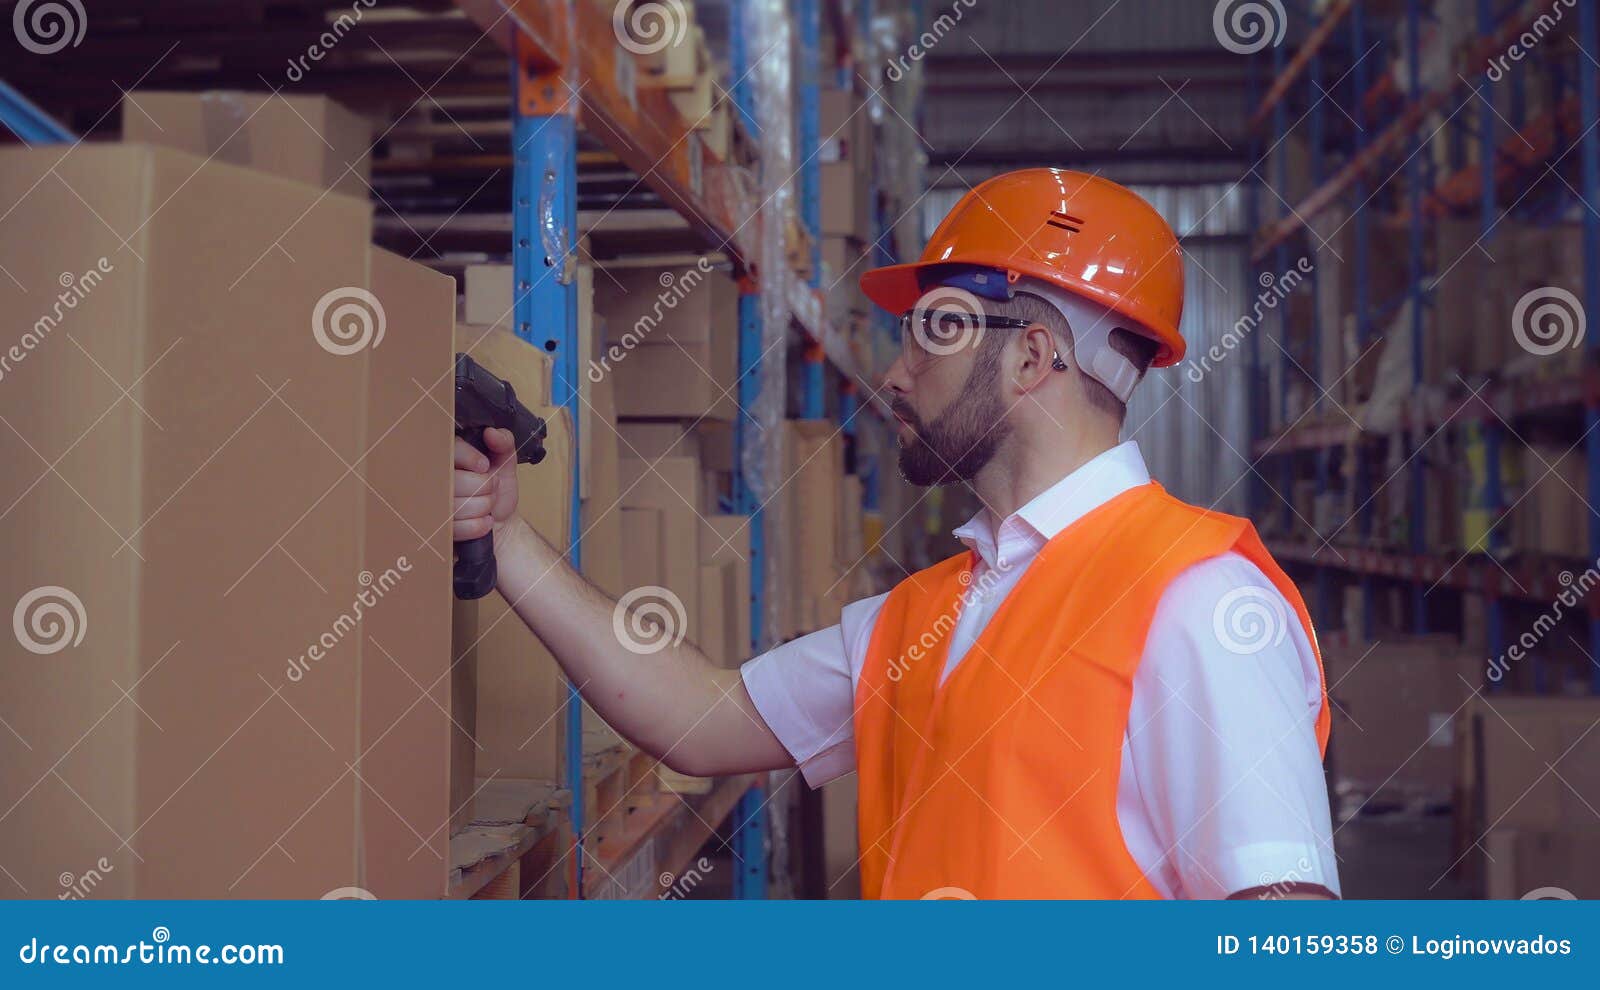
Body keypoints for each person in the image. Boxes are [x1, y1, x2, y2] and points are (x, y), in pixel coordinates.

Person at [452, 168, 1337, 899]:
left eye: (935, 328)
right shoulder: (926, 618)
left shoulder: (1200, 603)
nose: (896, 370)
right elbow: (700, 720)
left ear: (1033, 358)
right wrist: (508, 533)